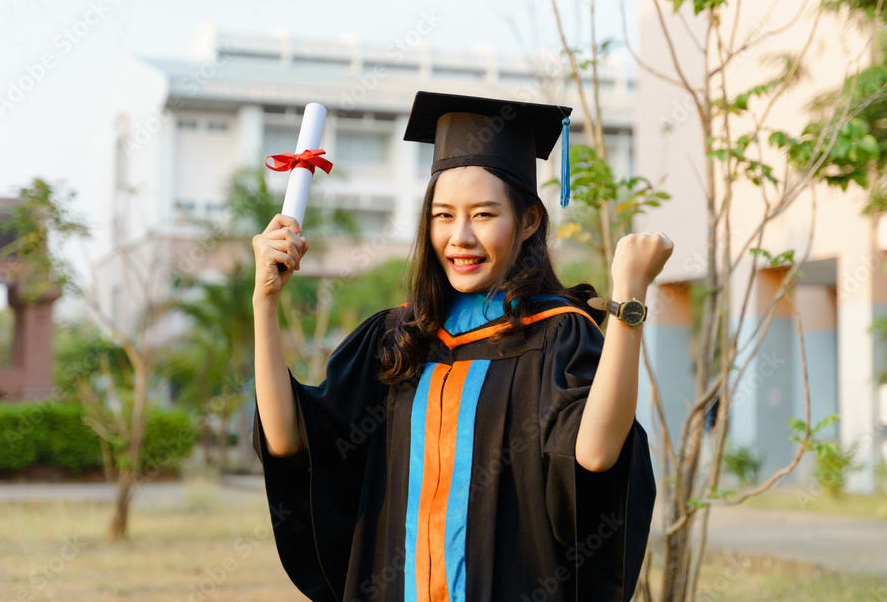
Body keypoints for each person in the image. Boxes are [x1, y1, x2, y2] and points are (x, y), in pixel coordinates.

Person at [251, 91, 673, 601]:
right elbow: (289, 442)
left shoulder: (557, 334)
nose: (461, 237)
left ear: (530, 221)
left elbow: (597, 454)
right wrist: (265, 303)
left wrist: (629, 300)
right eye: (444, 215)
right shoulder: (396, 339)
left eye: (484, 214)